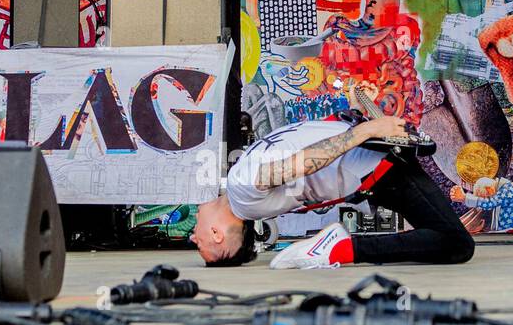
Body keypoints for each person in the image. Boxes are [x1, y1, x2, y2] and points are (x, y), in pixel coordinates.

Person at [191, 115, 475, 268]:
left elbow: (298, 148)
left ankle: (341, 248)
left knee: (443, 237)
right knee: (455, 243)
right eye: (199, 243)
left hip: (370, 163)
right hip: (376, 167)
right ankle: (339, 249)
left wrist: (361, 124)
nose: (192, 236)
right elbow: (300, 164)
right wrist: (367, 130)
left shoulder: (241, 187)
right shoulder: (242, 190)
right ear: (217, 235)